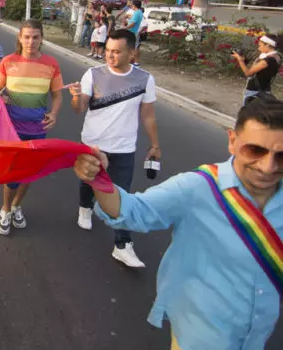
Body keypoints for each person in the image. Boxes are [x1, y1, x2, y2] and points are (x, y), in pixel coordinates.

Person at [71, 94, 283, 350]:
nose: (268, 166)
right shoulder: (198, 187)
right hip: (200, 336)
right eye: (255, 150)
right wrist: (98, 178)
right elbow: (131, 212)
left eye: (281, 156)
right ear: (233, 141)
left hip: (259, 337)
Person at [68, 29, 160, 268]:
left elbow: (148, 116)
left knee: (121, 195)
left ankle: (122, 245)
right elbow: (79, 109)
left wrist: (155, 144)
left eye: (116, 52)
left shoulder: (144, 80)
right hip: (93, 144)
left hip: (124, 148)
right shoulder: (93, 74)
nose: (110, 56)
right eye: (108, 50)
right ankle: (85, 207)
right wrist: (76, 97)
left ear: (132, 53)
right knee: (88, 182)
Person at [0, 19, 63, 235]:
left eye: (35, 37)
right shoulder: (7, 61)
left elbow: (57, 95)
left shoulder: (51, 64)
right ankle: (4, 209)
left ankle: (16, 206)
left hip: (37, 129)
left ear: (42, 39)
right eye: (27, 37)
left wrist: (53, 113)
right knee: (13, 172)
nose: (31, 41)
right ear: (20, 38)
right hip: (11, 128)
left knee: (30, 173)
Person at [232, 34, 280, 105]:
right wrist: (243, 59)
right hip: (264, 90)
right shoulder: (276, 57)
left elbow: (248, 73)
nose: (258, 48)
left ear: (267, 45)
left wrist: (240, 60)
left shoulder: (268, 60)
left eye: (260, 46)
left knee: (248, 114)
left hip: (255, 92)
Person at [125, 0, 144, 66]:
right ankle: (132, 60)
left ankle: (136, 62)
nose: (131, 6)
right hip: (133, 32)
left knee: (134, 48)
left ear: (134, 5)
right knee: (133, 47)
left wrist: (125, 28)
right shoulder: (138, 12)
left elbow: (133, 24)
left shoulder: (137, 13)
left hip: (134, 32)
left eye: (132, 5)